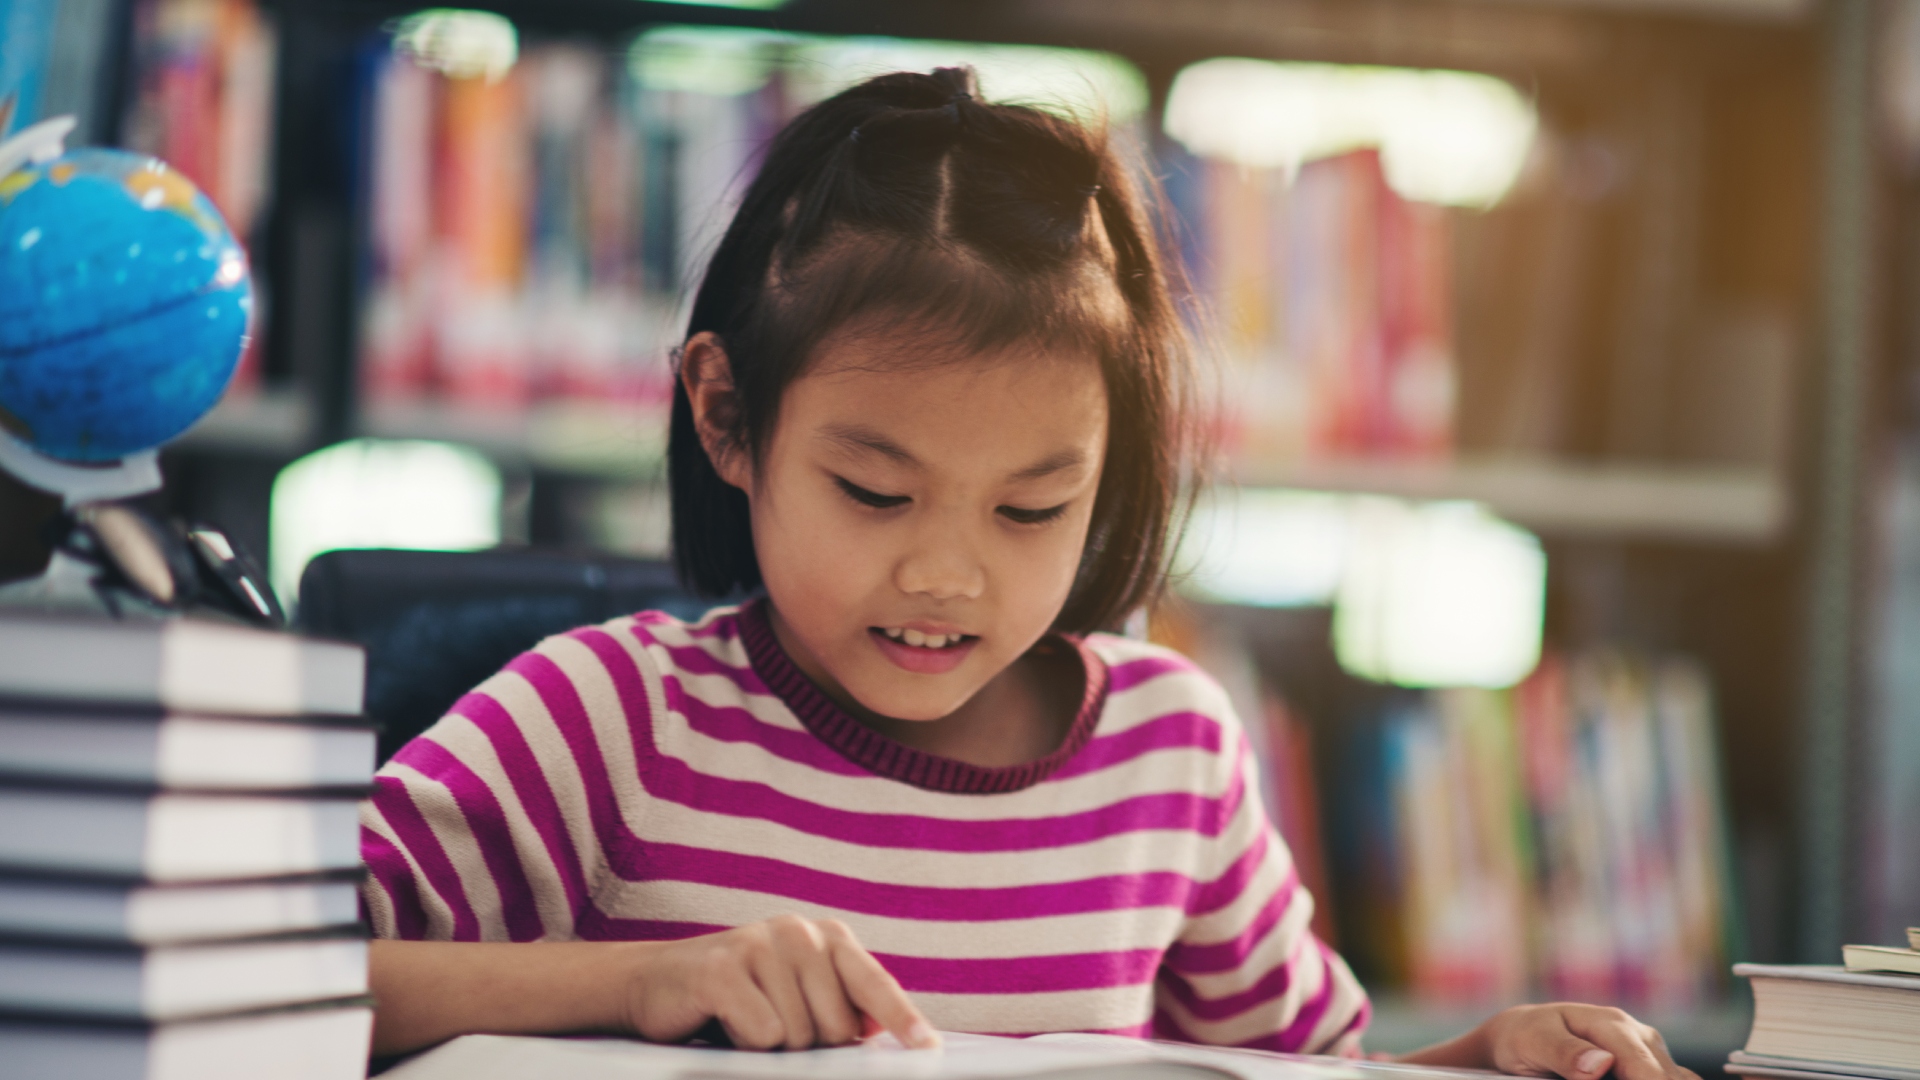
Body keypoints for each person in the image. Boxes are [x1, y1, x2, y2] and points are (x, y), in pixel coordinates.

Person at [361, 67, 1697, 1080]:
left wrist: (1494, 1059)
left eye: (1032, 508)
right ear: (726, 418)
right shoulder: (614, 718)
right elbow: (236, 984)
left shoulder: (1170, 756)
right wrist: (636, 985)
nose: (947, 574)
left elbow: (1316, 1078)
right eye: (875, 493)